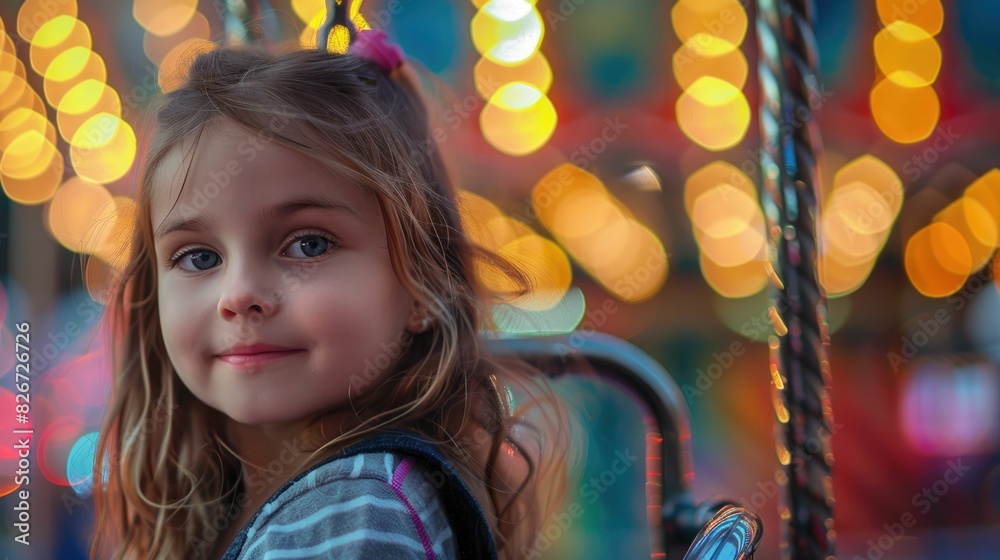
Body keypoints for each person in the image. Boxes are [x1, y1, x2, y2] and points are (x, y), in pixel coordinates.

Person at [90, 24, 580, 560]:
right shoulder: (295, 504)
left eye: (308, 245)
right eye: (199, 257)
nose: (240, 295)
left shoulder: (350, 513)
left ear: (423, 284)